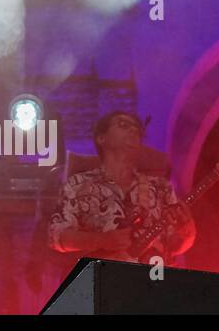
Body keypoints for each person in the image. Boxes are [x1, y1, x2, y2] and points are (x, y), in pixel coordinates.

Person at [48, 110, 196, 263]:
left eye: (137, 130)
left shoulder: (161, 187)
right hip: (102, 281)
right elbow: (56, 236)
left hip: (154, 280)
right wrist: (101, 240)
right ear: (101, 138)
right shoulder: (77, 185)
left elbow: (173, 246)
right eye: (123, 124)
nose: (134, 130)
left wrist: (187, 235)